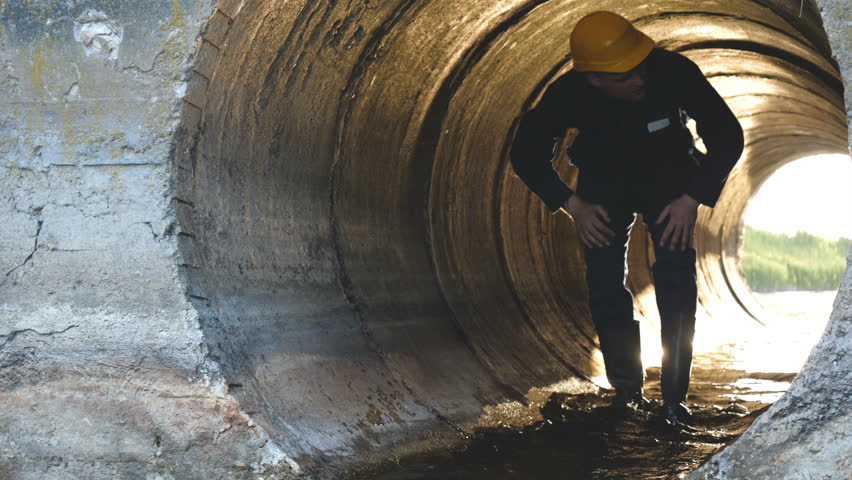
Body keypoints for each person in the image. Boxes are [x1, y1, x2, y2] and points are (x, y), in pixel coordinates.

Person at [509, 11, 744, 424]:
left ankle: (674, 399)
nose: (639, 79)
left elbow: (727, 136)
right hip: (604, 188)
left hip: (671, 182)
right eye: (624, 75)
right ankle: (627, 392)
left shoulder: (672, 72)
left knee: (674, 274)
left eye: (640, 66)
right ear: (594, 78)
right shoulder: (568, 94)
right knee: (603, 281)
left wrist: (692, 199)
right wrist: (573, 205)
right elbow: (525, 154)